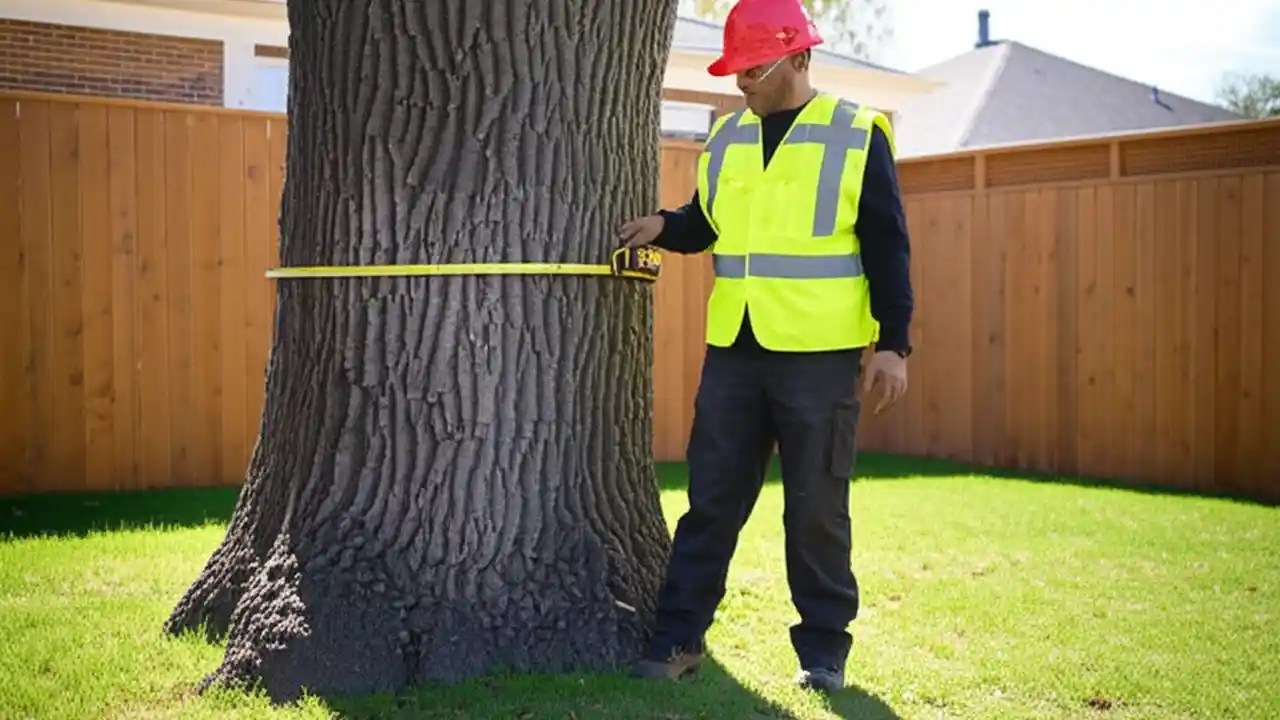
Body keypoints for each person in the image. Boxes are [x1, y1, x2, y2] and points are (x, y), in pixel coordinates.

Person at [615, 0, 914, 694]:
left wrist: (895, 343)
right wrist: (664, 224)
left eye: (754, 69)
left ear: (800, 58)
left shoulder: (854, 133)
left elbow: (887, 244)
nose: (742, 84)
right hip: (737, 352)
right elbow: (708, 224)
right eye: (737, 72)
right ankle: (678, 638)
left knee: (815, 508)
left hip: (821, 354)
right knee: (710, 503)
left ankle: (823, 652)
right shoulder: (727, 139)